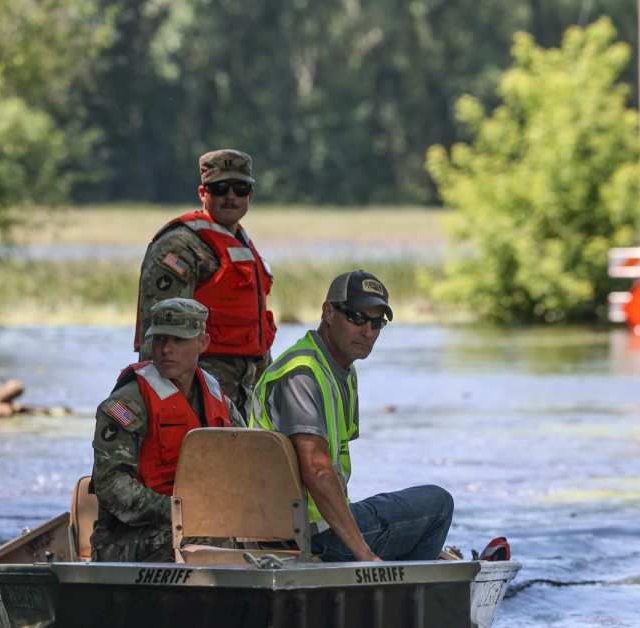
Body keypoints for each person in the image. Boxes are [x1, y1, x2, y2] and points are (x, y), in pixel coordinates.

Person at [249, 270, 454, 562]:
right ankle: (407, 586)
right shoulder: (303, 373)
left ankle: (394, 577)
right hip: (307, 535)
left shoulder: (341, 369)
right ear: (328, 312)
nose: (367, 331)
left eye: (377, 323)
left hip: (312, 526)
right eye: (357, 318)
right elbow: (317, 470)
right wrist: (364, 554)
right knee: (438, 504)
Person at [90, 298, 246, 562]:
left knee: (261, 533)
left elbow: (245, 458)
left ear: (203, 343)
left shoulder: (217, 398)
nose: (166, 350)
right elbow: (111, 486)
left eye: (178, 340)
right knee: (212, 540)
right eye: (160, 339)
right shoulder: (125, 405)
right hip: (126, 538)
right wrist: (181, 512)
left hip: (200, 523)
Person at [134, 148, 276, 416]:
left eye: (240, 189)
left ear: (250, 195)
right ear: (203, 193)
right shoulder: (179, 246)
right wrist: (165, 408)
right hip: (197, 395)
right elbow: (158, 336)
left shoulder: (243, 245)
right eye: (220, 188)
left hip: (244, 395)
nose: (231, 196)